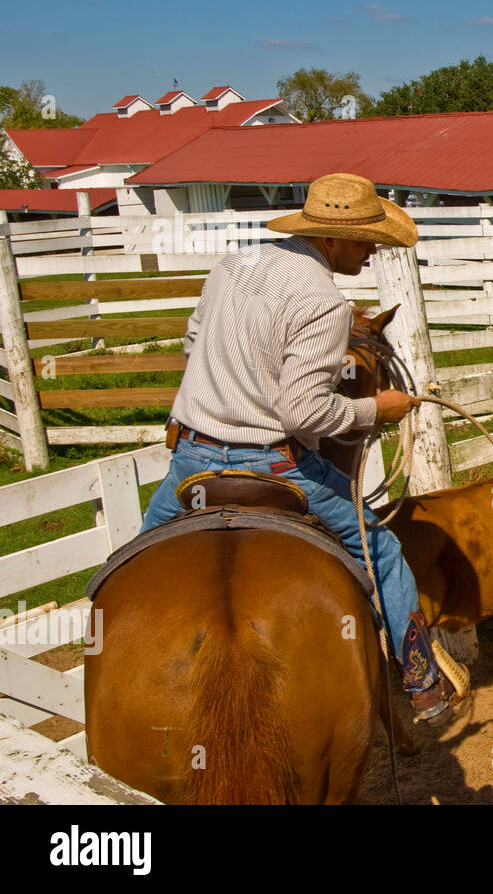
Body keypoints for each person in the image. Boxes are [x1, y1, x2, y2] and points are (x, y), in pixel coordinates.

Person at [140, 172, 465, 726]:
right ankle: (420, 681)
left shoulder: (232, 266)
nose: (372, 253)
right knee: (382, 553)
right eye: (366, 241)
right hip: (274, 465)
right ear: (332, 240)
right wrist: (375, 411)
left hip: (190, 458)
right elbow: (304, 413)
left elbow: (194, 341)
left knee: (132, 570)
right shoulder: (324, 302)